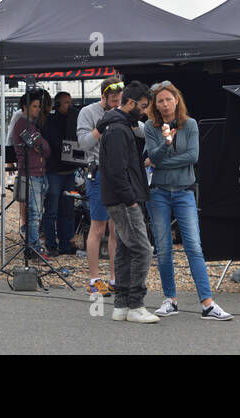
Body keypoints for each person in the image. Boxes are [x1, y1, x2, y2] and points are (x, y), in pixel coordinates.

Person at [141, 81, 232, 321]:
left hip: (184, 192)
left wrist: (158, 162)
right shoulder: (151, 127)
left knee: (193, 246)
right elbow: (153, 154)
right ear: (155, 105)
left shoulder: (190, 124)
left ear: (176, 100)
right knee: (163, 248)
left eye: (168, 99)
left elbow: (193, 156)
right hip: (158, 192)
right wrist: (167, 143)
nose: (165, 104)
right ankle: (170, 299)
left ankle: (208, 303)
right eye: (160, 101)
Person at [97, 80, 158, 324]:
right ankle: (135, 305)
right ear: (131, 103)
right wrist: (131, 200)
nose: (144, 111)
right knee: (143, 250)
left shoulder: (116, 126)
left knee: (124, 249)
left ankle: (121, 305)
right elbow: (116, 170)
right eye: (143, 106)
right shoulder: (119, 130)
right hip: (124, 200)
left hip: (120, 198)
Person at [77, 75, 123, 295]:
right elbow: (84, 144)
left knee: (116, 228)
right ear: (104, 97)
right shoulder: (88, 112)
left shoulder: (122, 109)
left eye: (119, 100)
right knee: (98, 228)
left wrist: (130, 115)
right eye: (113, 101)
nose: (116, 104)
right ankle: (94, 279)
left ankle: (114, 278)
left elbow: (141, 131)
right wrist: (101, 126)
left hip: (119, 174)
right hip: (98, 174)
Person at [11, 91, 51, 260]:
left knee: (36, 212)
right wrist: (39, 144)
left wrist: (40, 145)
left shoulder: (31, 125)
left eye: (38, 106)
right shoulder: (22, 124)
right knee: (34, 213)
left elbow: (44, 149)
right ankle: (34, 248)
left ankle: (34, 246)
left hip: (38, 171)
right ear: (25, 107)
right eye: (35, 106)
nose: (38, 109)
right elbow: (42, 146)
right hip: (31, 173)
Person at [41, 91, 78, 256]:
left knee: (68, 210)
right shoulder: (51, 121)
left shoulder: (74, 119)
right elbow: (56, 143)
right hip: (54, 171)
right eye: (66, 103)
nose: (69, 106)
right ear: (57, 105)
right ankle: (51, 244)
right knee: (52, 210)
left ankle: (66, 244)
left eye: (70, 102)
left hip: (69, 170)